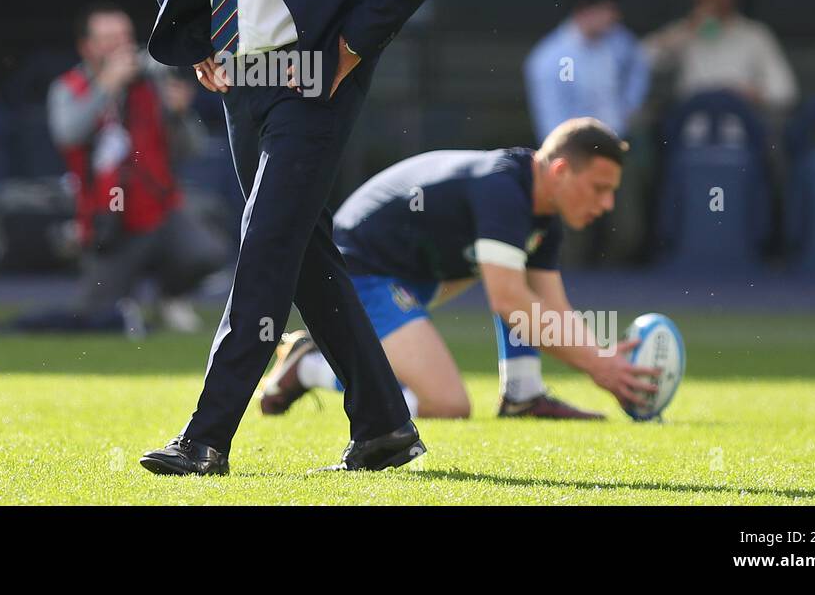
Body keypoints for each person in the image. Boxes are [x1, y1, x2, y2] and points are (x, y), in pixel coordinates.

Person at [139, 0, 454, 476]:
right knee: (305, 255)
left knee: (266, 245)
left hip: (316, 78)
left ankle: (206, 436)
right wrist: (194, 33)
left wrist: (354, 42)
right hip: (241, 80)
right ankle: (385, 426)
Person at [259, 118, 660, 421]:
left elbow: (552, 306)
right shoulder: (503, 190)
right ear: (559, 171)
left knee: (516, 283)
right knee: (448, 404)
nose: (607, 204)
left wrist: (603, 358)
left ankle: (523, 394)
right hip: (354, 270)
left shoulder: (541, 211)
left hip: (404, 272)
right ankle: (310, 366)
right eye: (599, 188)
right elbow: (508, 300)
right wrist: (596, 364)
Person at [0, 1, 228, 336]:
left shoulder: (152, 84)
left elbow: (192, 147)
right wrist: (107, 85)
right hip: (109, 221)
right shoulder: (68, 87)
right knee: (92, 316)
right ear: (87, 47)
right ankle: (125, 302)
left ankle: (170, 295)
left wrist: (179, 113)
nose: (120, 46)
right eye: (108, 38)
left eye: (124, 36)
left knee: (207, 252)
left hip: (161, 209)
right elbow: (68, 132)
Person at [524, 0, 650, 266]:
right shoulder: (549, 58)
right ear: (584, 12)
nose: (614, 19)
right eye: (607, 12)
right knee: (570, 238)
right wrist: (569, 161)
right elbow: (550, 121)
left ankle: (615, 291)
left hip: (616, 145)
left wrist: (629, 106)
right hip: (572, 156)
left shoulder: (619, 42)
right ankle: (570, 297)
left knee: (628, 228)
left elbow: (638, 68)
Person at [643, 0, 798, 120]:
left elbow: (785, 91)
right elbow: (640, 60)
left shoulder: (755, 34)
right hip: (690, 128)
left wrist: (753, 94)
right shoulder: (684, 31)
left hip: (740, 129)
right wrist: (686, 31)